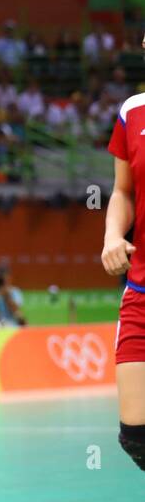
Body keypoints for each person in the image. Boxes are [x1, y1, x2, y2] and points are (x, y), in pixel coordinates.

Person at [104, 84, 145, 474]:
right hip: (141, 291)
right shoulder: (133, 110)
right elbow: (122, 191)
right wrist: (113, 236)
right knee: (137, 439)